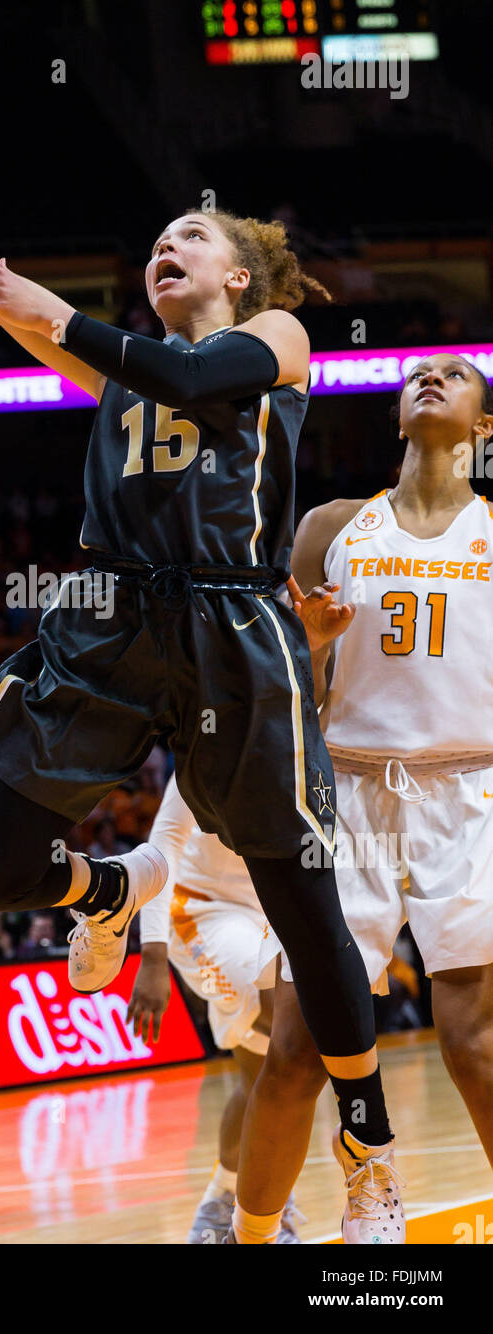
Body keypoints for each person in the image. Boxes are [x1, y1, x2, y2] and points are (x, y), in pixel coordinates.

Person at [0, 99, 398, 1241]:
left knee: (299, 901)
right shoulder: (117, 368)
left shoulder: (277, 343)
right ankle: (112, 890)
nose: (163, 250)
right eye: (156, 243)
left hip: (234, 622)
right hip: (114, 624)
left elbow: (180, 377)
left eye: (190, 237)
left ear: (238, 279)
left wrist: (53, 316)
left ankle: (368, 1156)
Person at [224, 353, 493, 1243]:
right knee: (295, 1051)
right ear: (394, 414)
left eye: (456, 374)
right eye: (419, 372)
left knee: (475, 1045)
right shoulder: (330, 528)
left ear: (483, 429)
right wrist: (309, 646)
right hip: (350, 795)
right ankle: (254, 1234)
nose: (432, 378)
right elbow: (281, 687)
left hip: (470, 793)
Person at [129, 775, 304, 1243]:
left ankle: (231, 1199)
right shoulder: (202, 750)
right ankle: (255, 1201)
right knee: (284, 1014)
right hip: (198, 911)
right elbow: (160, 848)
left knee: (263, 1076)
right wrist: (152, 956)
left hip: (268, 913)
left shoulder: (308, 740)